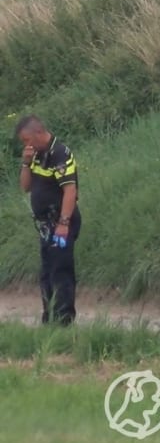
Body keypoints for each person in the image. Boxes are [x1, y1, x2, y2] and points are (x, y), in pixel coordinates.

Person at [15, 115, 81, 326]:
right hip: (46, 226)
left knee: (60, 270)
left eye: (27, 140)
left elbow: (70, 191)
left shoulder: (60, 153)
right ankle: (49, 319)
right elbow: (25, 186)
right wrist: (26, 163)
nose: (26, 145)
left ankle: (64, 321)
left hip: (61, 223)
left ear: (38, 133)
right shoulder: (36, 155)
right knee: (47, 273)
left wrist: (64, 223)